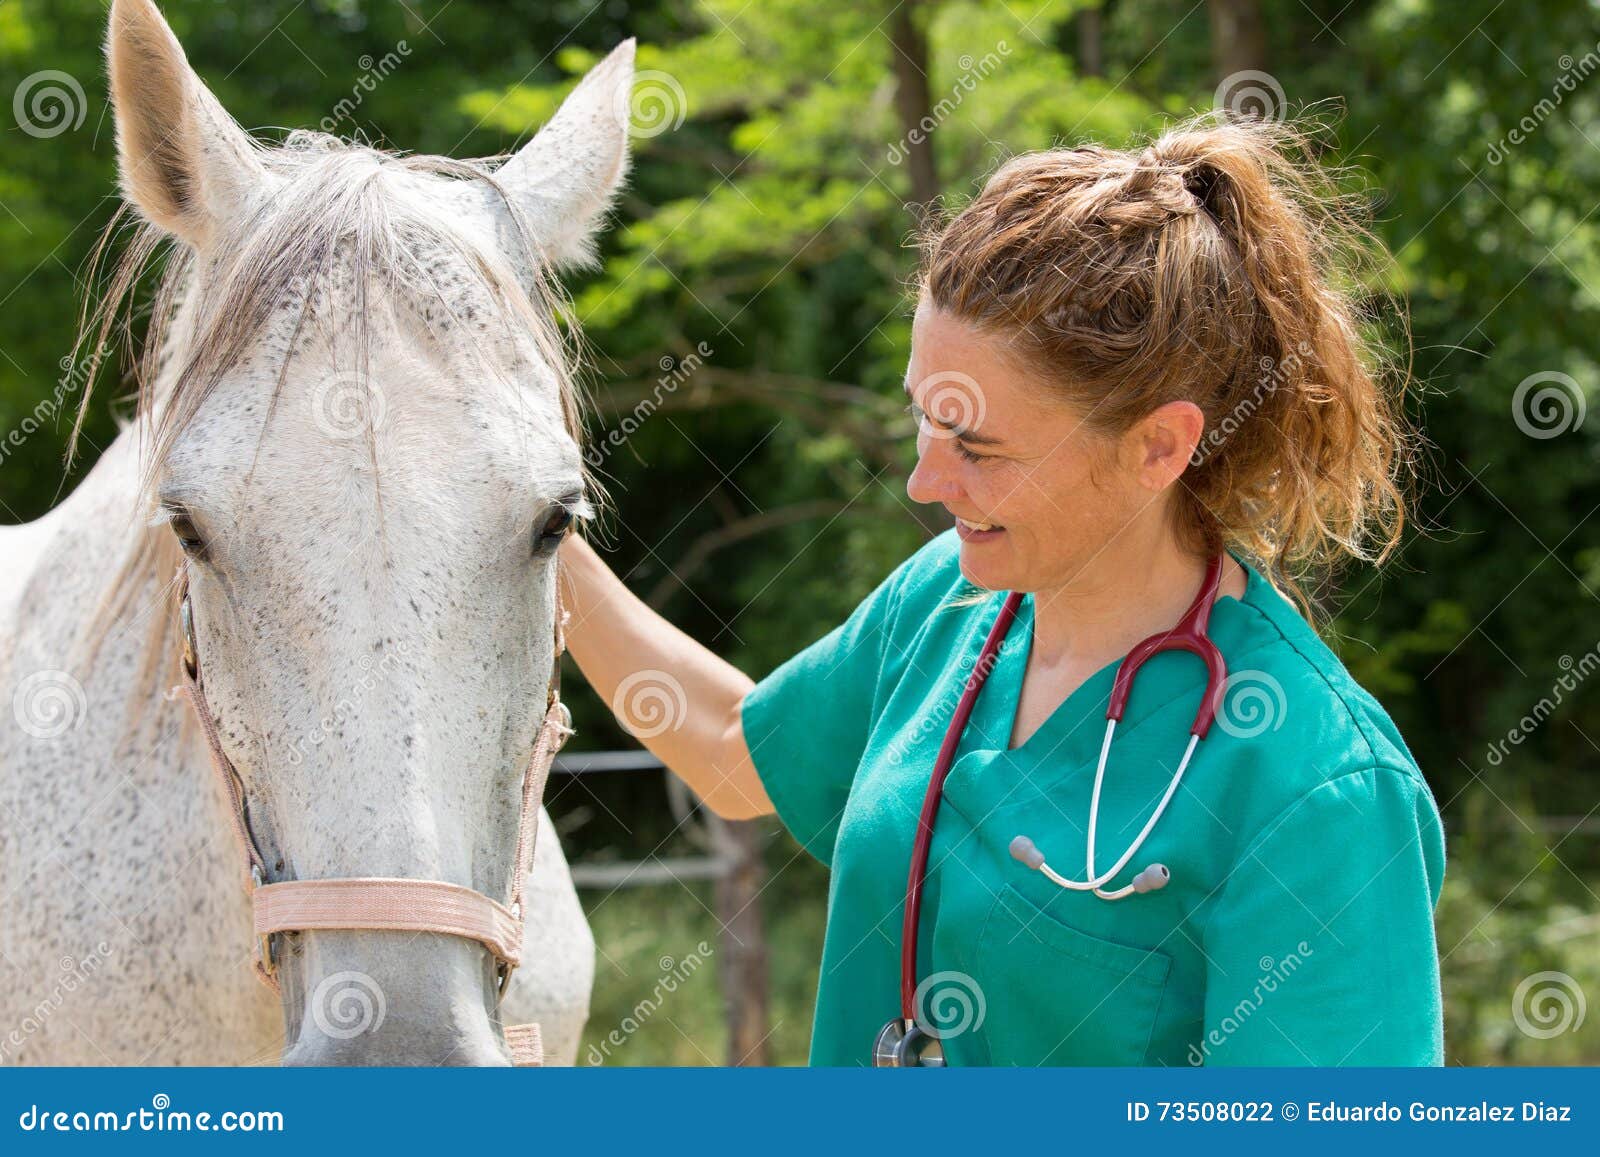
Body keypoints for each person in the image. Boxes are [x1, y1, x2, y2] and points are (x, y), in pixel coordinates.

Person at [558, 114, 1445, 1066]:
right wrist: (532, 532)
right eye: (926, 421)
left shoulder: (1317, 791)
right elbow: (733, 755)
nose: (925, 483)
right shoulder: (950, 600)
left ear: (1160, 444)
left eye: (978, 446)